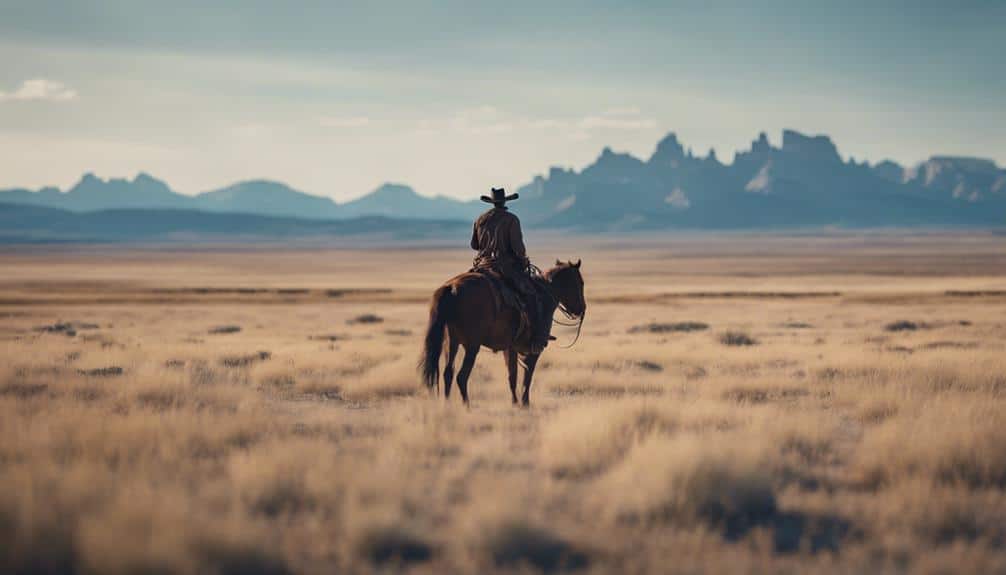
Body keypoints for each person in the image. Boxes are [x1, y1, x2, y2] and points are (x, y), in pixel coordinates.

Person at [470, 187, 550, 352]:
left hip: (482, 267)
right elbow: (518, 249)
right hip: (505, 268)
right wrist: (522, 260)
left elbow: (474, 245)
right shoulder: (511, 219)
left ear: (492, 202)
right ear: (505, 201)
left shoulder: (480, 220)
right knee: (532, 295)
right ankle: (535, 340)